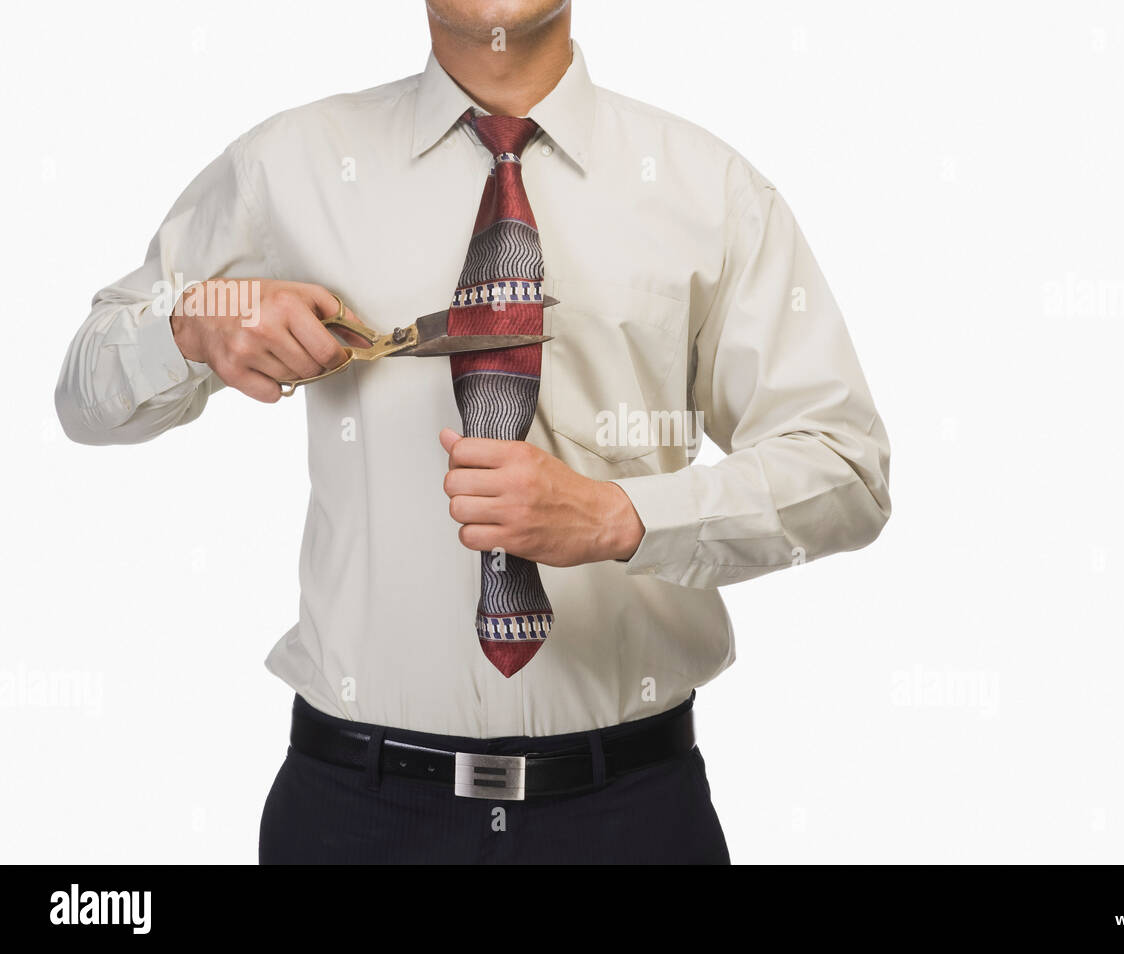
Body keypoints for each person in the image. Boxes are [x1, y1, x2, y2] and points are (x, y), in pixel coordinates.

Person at [54, 0, 891, 864]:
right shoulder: (291, 165)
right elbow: (83, 395)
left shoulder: (709, 189)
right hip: (353, 816)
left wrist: (621, 517)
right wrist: (195, 322)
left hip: (631, 816)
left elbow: (845, 467)